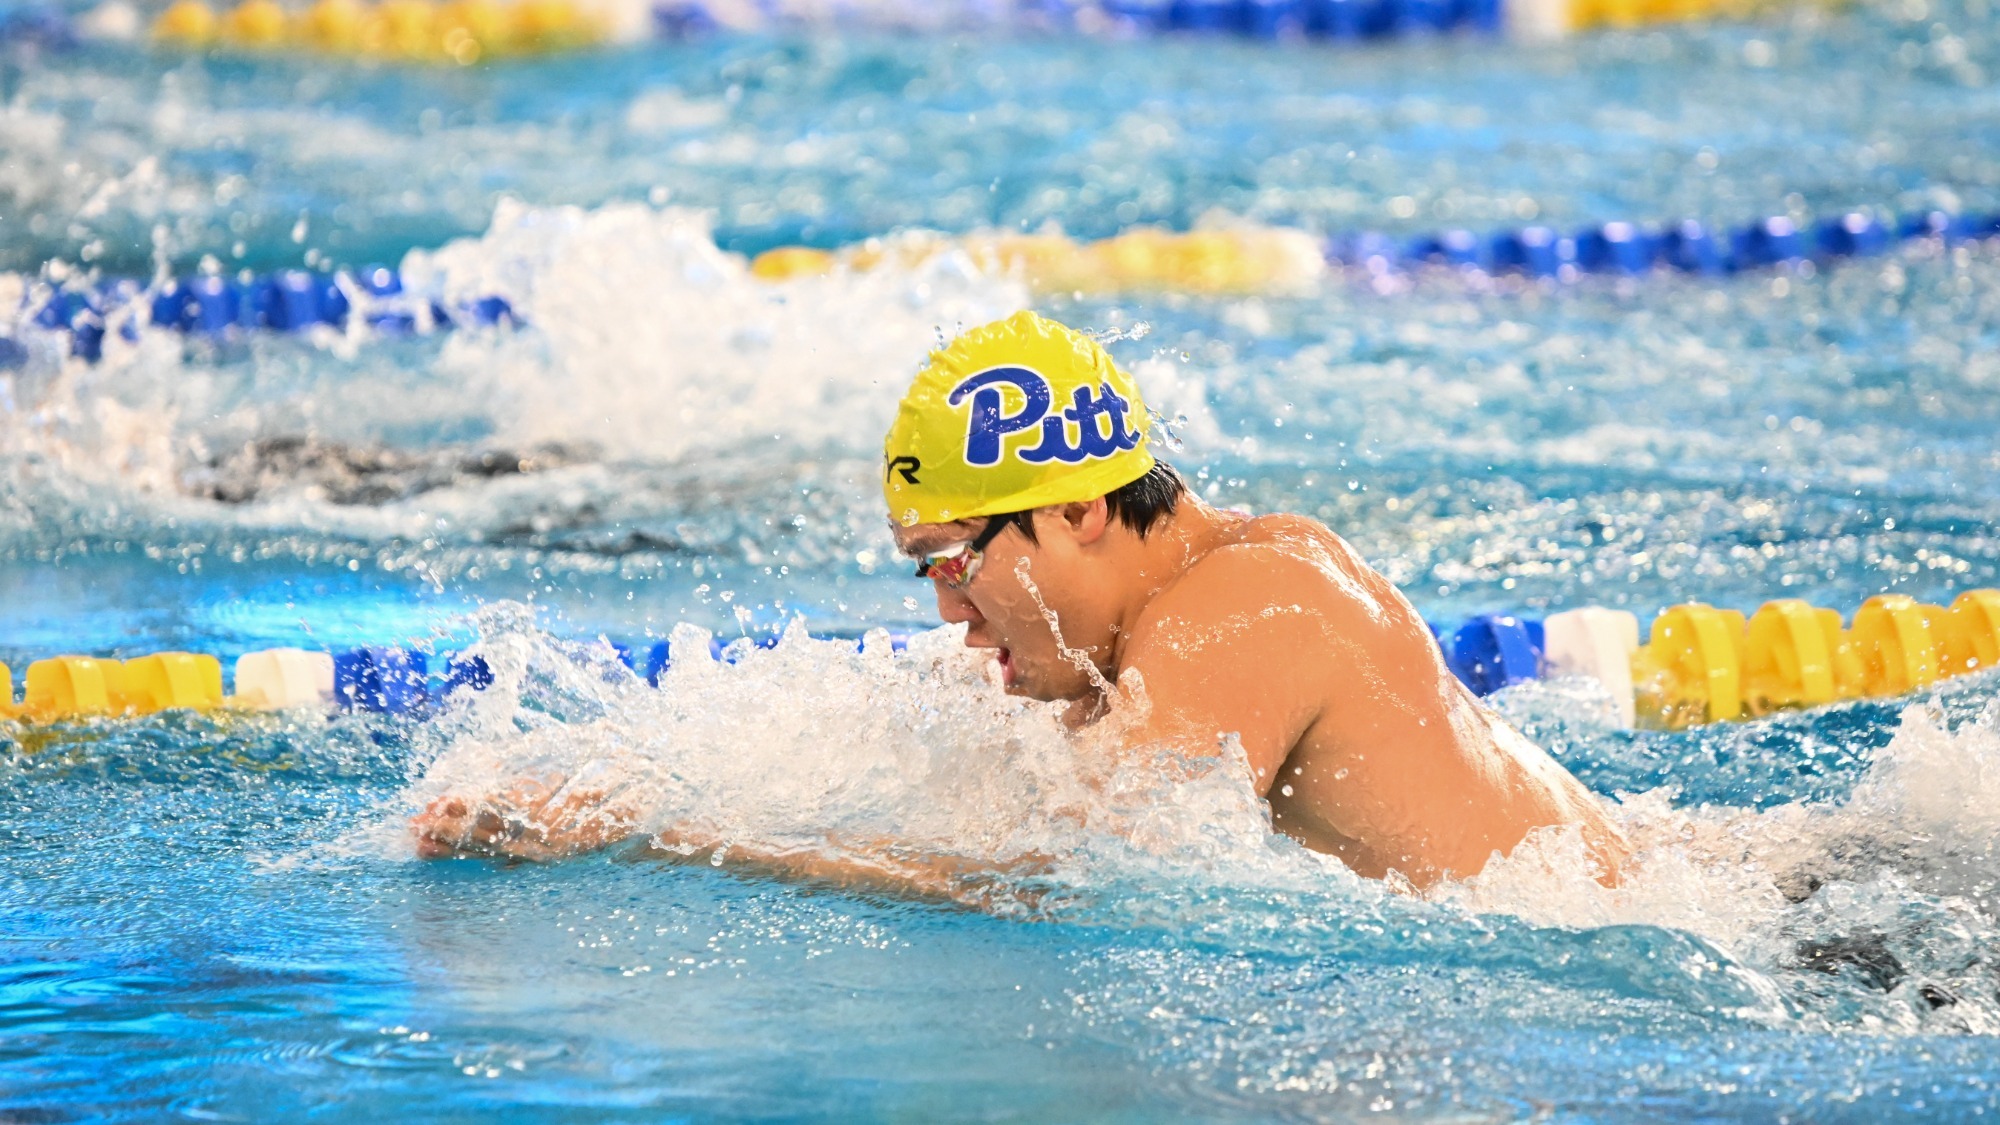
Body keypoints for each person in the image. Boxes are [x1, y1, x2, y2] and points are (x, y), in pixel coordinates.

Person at [414, 310, 1626, 892]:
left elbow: (1060, 880)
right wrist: (610, 774)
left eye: (953, 561)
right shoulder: (1144, 637)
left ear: (1076, 511)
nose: (950, 612)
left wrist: (659, 834)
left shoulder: (1249, 606)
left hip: (1751, 937)